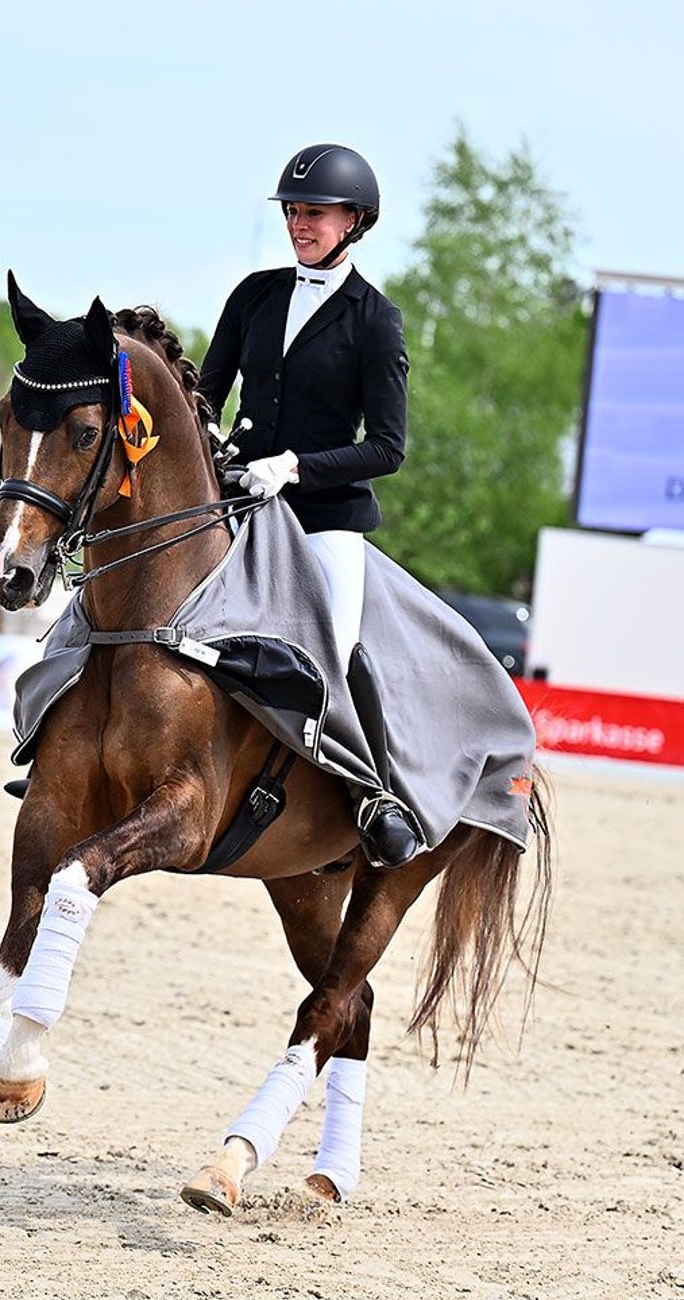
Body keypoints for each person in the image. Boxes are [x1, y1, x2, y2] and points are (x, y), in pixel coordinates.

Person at [194, 142, 418, 868]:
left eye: (314, 213)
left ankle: (374, 794)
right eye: (293, 211)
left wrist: (293, 466)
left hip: (324, 518)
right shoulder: (254, 295)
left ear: (355, 220)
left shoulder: (374, 320)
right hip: (240, 506)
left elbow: (387, 447)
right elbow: (208, 392)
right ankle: (60, 732)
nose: (300, 223)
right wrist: (215, 451)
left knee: (339, 642)